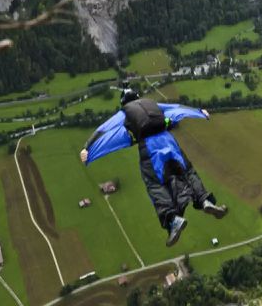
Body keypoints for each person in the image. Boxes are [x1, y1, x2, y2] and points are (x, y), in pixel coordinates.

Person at [79, 87, 228, 246]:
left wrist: (87, 148)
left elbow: (104, 129)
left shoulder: (125, 112)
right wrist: (199, 112)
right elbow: (176, 108)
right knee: (187, 171)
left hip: (149, 148)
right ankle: (205, 200)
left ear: (124, 102)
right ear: (138, 96)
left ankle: (172, 219)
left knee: (155, 185)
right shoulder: (153, 103)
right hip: (169, 140)